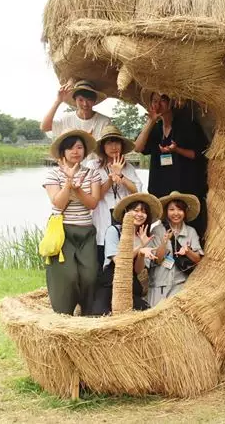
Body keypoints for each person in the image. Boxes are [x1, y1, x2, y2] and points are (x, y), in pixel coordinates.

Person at [41, 129, 102, 315]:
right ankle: (63, 312)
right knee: (68, 275)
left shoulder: (92, 174)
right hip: (63, 230)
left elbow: (93, 202)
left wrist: (78, 189)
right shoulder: (53, 174)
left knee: (90, 274)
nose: (75, 151)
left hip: (86, 230)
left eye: (79, 147)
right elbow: (57, 202)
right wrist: (68, 183)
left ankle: (86, 309)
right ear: (63, 152)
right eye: (70, 148)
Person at [133, 93, 209, 239]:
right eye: (155, 101)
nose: (158, 104)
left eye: (162, 100)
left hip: (185, 187)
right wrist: (151, 121)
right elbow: (138, 147)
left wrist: (177, 150)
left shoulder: (187, 124)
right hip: (161, 187)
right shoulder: (155, 128)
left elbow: (198, 154)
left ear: (171, 103)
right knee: (164, 231)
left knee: (188, 230)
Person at [92, 193, 165, 315]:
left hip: (131, 284)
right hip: (111, 281)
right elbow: (119, 262)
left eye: (143, 211)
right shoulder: (114, 231)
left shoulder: (145, 236)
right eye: (135, 210)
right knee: (99, 315)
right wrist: (140, 247)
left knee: (146, 314)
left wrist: (141, 253)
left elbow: (138, 270)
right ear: (126, 211)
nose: (139, 214)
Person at [85, 125, 143, 265]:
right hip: (102, 219)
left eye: (116, 142)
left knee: (124, 259)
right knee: (102, 261)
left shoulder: (128, 167)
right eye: (109, 143)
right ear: (103, 147)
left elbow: (138, 192)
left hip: (123, 220)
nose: (113, 147)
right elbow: (94, 196)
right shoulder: (93, 166)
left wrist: (121, 176)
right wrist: (111, 178)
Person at [146, 191, 204, 307]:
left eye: (180, 209)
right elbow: (157, 260)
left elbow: (199, 260)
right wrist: (164, 242)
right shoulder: (158, 230)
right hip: (159, 286)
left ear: (185, 212)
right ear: (166, 212)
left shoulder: (191, 232)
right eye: (172, 209)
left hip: (181, 286)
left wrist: (188, 251)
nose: (176, 213)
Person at [40, 79, 112, 141]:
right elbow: (45, 127)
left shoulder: (104, 121)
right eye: (80, 100)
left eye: (89, 100)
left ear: (94, 101)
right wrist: (58, 101)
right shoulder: (66, 119)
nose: (85, 104)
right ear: (75, 100)